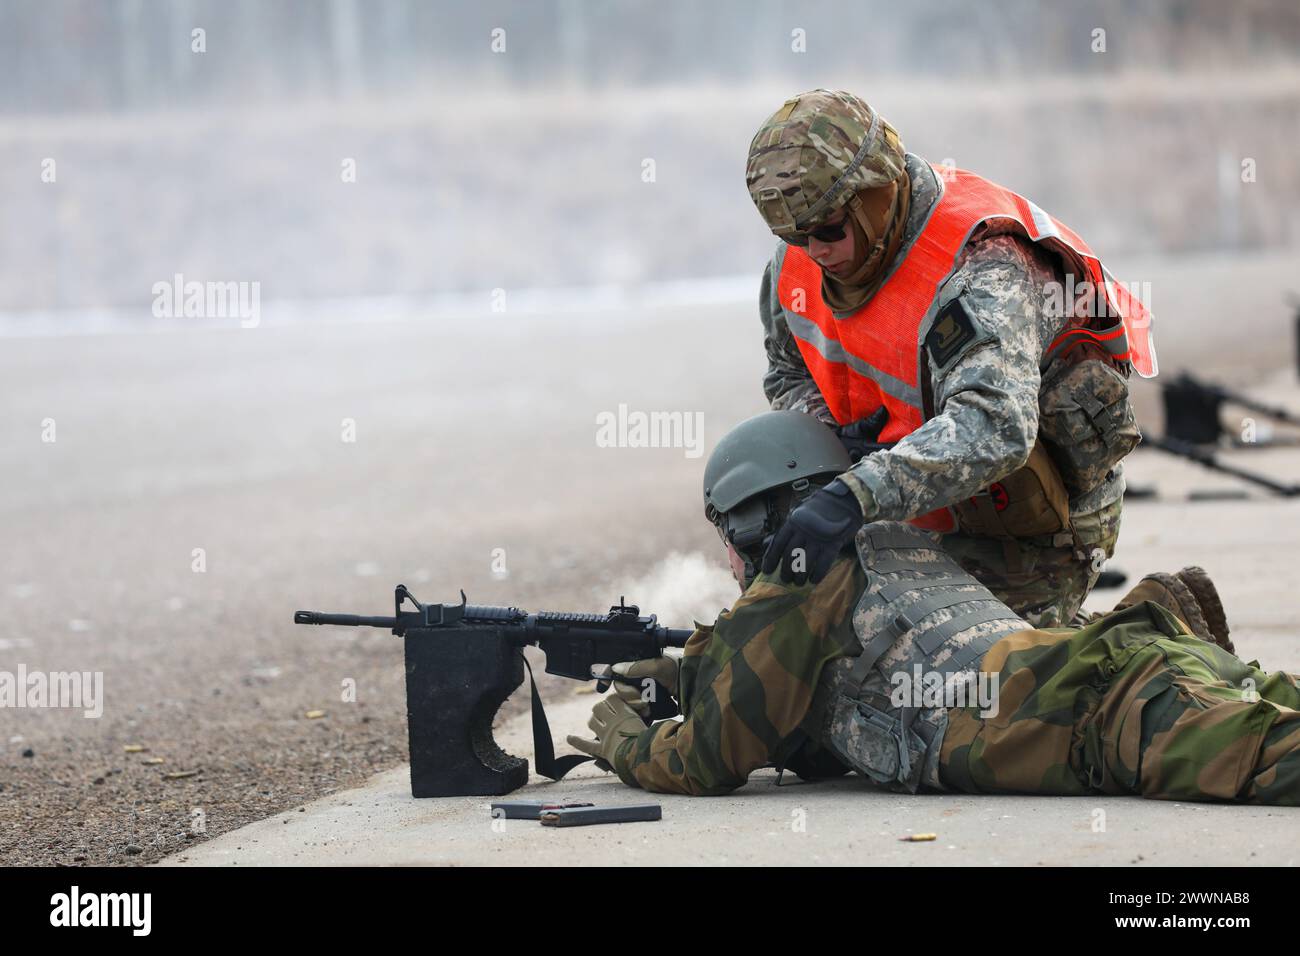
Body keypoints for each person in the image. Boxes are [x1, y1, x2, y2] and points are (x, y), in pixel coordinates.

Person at [567, 411, 1299, 805]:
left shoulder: (795, 587)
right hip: (1128, 672)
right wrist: (687, 672)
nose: (731, 558)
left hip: (1108, 710)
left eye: (729, 532)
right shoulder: (892, 539)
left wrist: (625, 738)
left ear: (756, 523)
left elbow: (706, 760)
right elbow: (820, 700)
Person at [745, 89, 1157, 627]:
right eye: (796, 236)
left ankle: (1149, 627)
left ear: (877, 196)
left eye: (828, 231)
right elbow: (787, 367)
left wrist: (854, 495)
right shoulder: (799, 260)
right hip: (901, 500)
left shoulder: (981, 268)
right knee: (821, 648)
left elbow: (994, 425)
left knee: (971, 683)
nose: (814, 251)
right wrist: (827, 435)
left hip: (1029, 524)